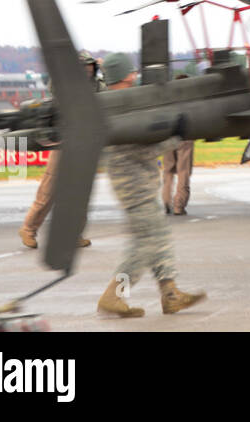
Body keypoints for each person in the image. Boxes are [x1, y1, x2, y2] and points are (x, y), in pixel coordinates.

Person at [97, 53, 205, 318]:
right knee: (145, 242)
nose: (135, 77)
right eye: (130, 73)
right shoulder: (119, 109)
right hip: (134, 187)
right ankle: (114, 295)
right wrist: (175, 137)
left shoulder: (117, 105)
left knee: (158, 238)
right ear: (122, 76)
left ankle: (170, 294)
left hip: (138, 184)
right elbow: (142, 151)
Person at [18, 49, 97, 250]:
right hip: (63, 143)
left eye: (90, 66)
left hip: (84, 146)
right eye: (84, 67)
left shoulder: (96, 86)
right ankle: (28, 229)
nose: (87, 70)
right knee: (48, 191)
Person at [162, 139, 195, 215]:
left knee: (168, 170)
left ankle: (166, 201)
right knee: (183, 171)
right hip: (185, 138)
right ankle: (179, 206)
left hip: (167, 137)